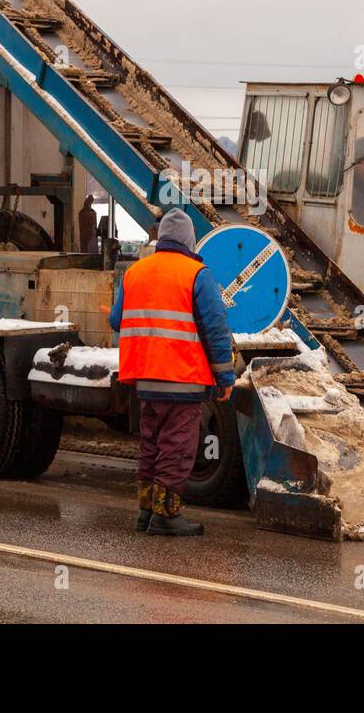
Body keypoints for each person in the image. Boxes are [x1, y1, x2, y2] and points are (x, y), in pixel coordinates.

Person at [109, 208, 234, 536]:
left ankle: (145, 512)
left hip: (145, 378)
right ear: (190, 241)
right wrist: (225, 377)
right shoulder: (197, 274)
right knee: (177, 446)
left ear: (161, 238)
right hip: (183, 377)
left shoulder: (135, 272)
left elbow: (115, 320)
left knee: (151, 442)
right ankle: (167, 515)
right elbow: (215, 328)